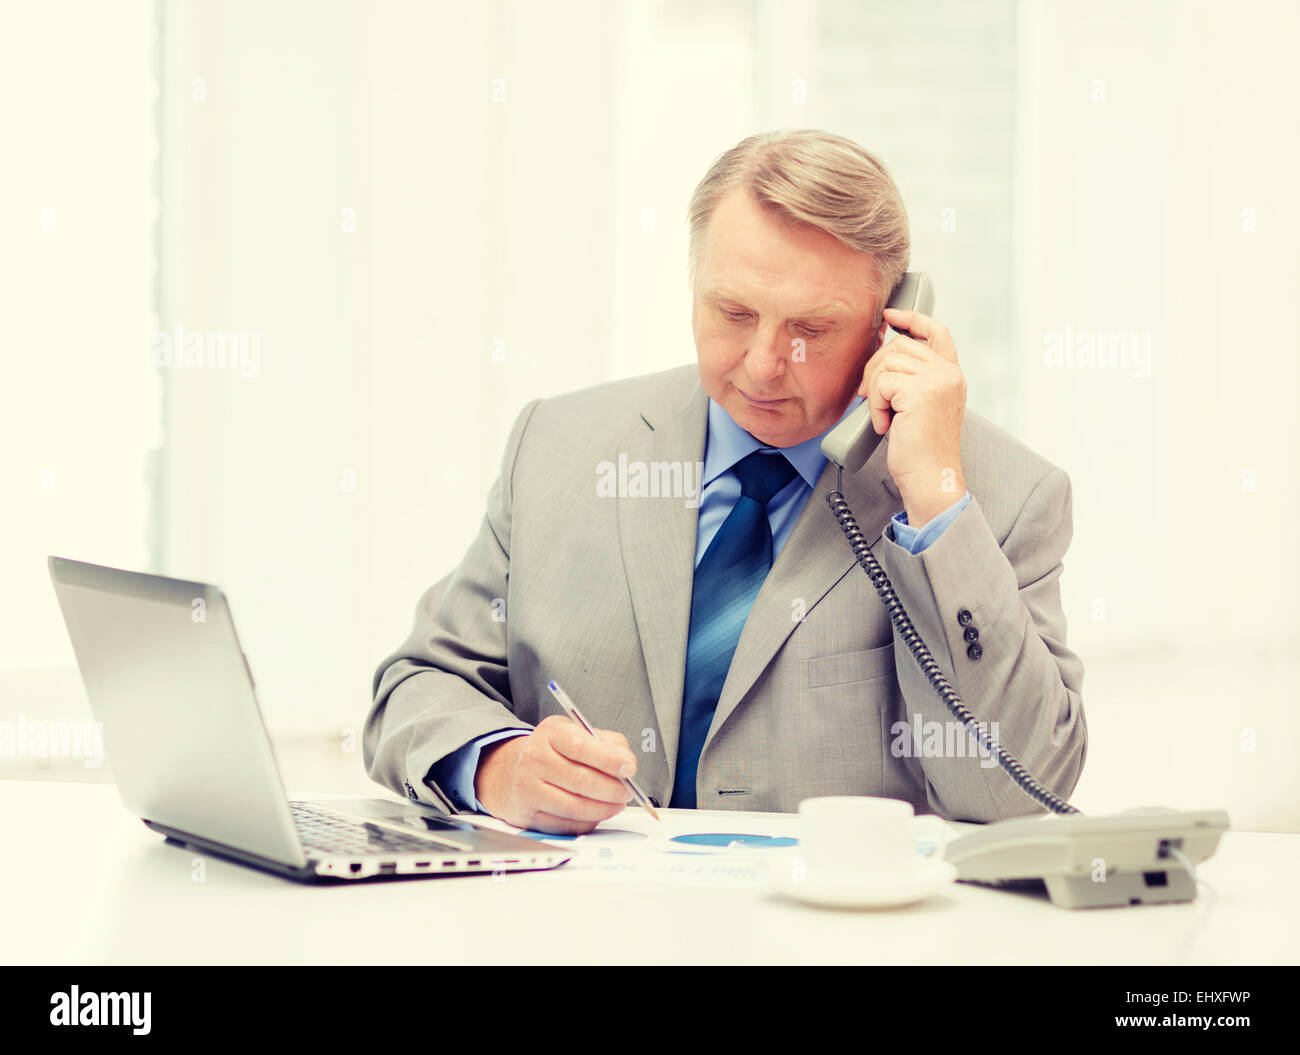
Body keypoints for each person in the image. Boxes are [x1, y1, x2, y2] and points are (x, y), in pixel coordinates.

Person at [363, 129, 1086, 833]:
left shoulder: (1004, 496)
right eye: (733, 312)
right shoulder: (558, 444)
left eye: (812, 327)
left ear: (891, 324)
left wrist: (933, 499)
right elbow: (418, 682)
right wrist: (499, 767)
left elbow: (1020, 794)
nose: (764, 362)